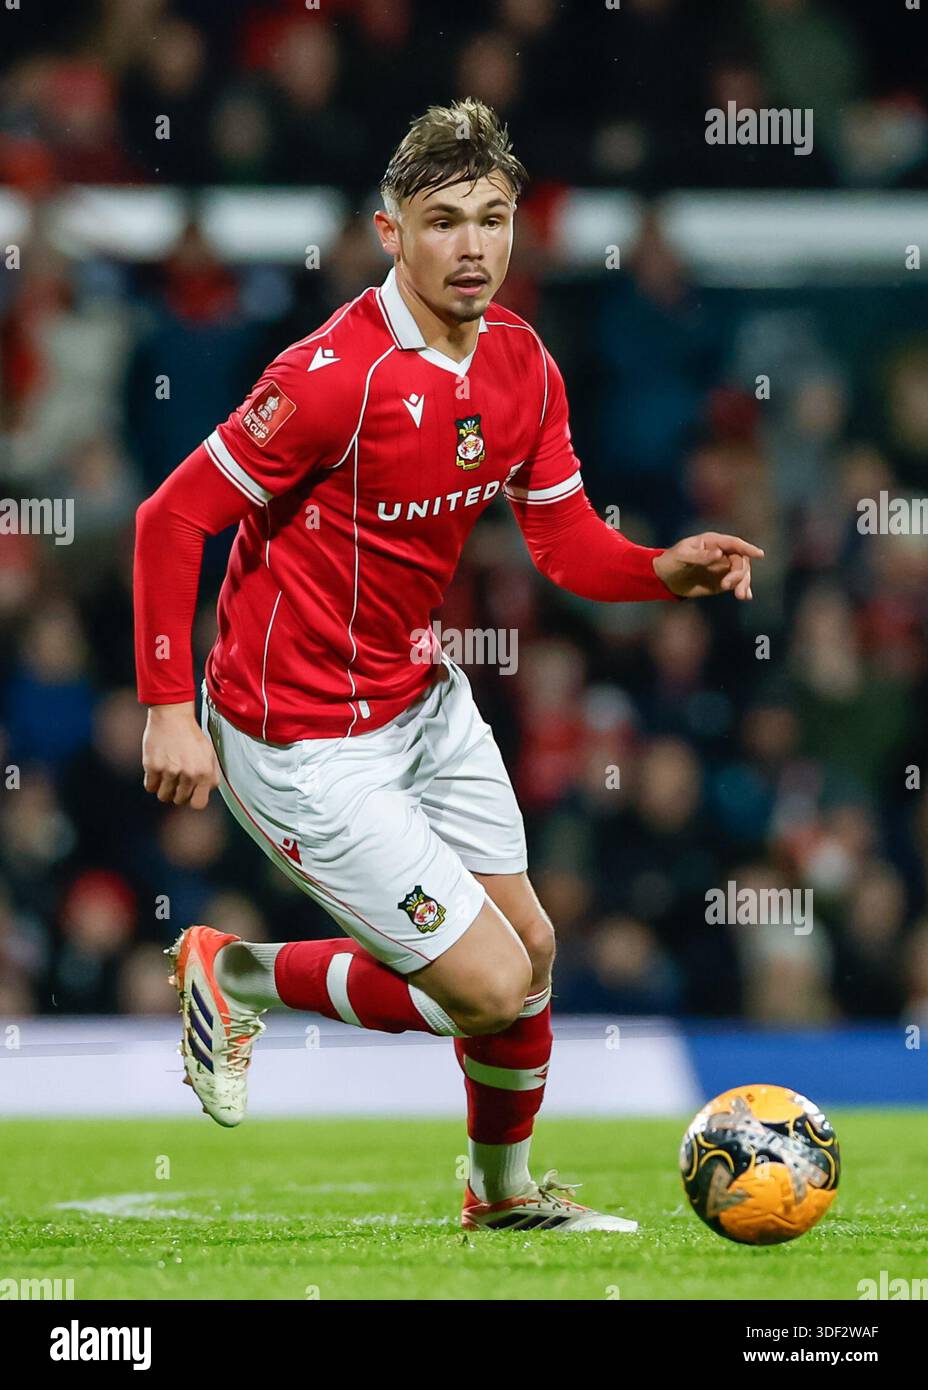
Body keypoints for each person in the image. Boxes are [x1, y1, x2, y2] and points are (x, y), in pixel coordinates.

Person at [134, 98, 762, 1233]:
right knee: (480, 987)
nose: (472, 247)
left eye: (491, 219)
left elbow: (564, 542)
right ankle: (234, 975)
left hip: (420, 700)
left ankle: (502, 1195)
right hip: (298, 736)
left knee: (530, 951)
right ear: (390, 232)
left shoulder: (521, 361)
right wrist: (168, 708)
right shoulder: (331, 375)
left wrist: (661, 569)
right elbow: (170, 521)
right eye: (442, 223)